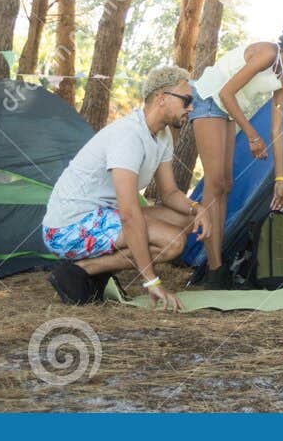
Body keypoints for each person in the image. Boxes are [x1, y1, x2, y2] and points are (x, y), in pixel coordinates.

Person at [42, 64, 207, 309]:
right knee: (173, 242)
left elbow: (170, 193)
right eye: (186, 100)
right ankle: (81, 270)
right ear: (161, 98)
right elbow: (130, 214)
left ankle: (90, 269)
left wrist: (197, 208)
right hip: (67, 227)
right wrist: (152, 282)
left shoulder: (161, 136)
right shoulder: (129, 136)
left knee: (188, 221)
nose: (191, 107)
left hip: (102, 216)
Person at [189, 17, 283, 289]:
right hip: (209, 100)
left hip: (227, 110)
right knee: (215, 182)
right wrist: (253, 136)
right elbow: (226, 92)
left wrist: (280, 180)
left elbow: (278, 132)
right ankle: (214, 270)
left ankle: (215, 267)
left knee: (226, 185)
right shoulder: (268, 52)